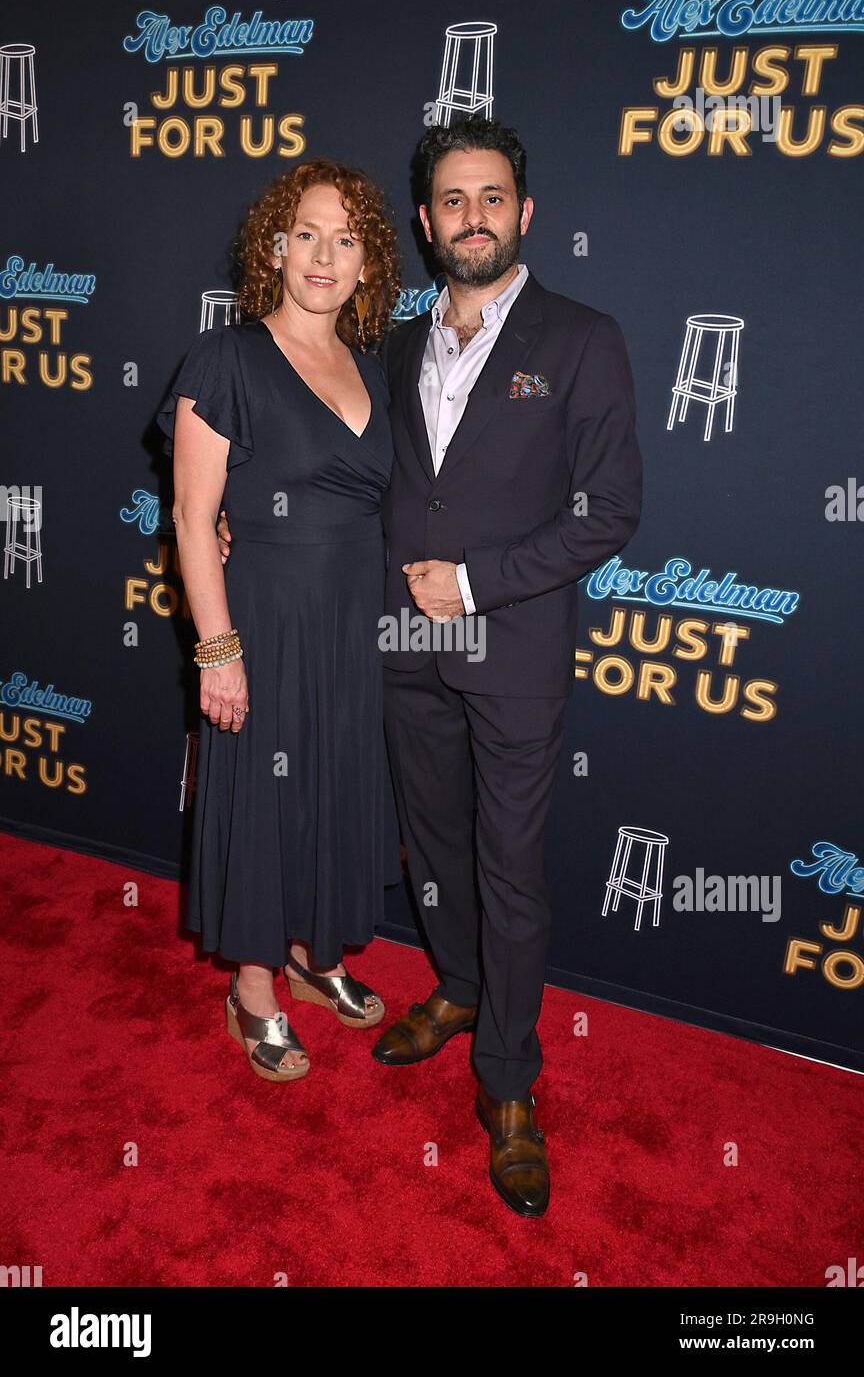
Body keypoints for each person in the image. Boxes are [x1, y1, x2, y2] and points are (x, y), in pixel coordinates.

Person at [218, 117, 643, 1215]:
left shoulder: (584, 337)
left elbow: (610, 510)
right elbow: (351, 486)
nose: (473, 218)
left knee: (507, 865)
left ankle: (508, 1080)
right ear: (424, 221)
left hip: (510, 648)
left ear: (524, 213)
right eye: (452, 201)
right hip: (403, 651)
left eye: (492, 198)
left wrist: (478, 579)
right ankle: (457, 988)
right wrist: (233, 531)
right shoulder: (397, 347)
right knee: (438, 849)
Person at [157, 160, 402, 1082]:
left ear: (369, 263)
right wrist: (217, 651)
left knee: (331, 789)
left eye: (347, 239)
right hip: (259, 616)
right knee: (263, 798)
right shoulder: (226, 358)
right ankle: (253, 989)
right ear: (275, 245)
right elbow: (191, 515)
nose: (325, 255)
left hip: (349, 627)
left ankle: (314, 954)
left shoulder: (372, 370)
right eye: (307, 232)